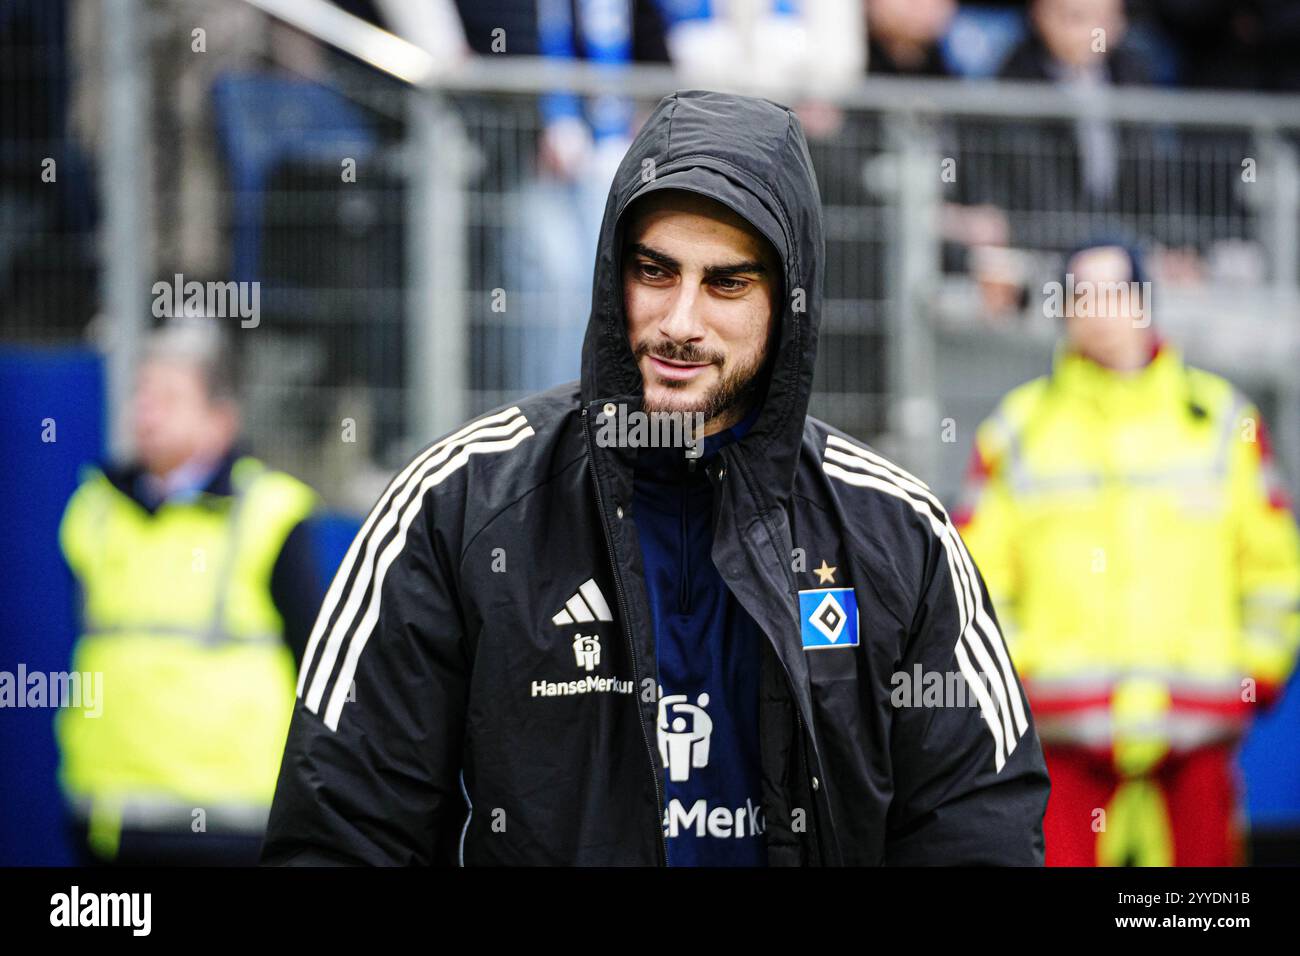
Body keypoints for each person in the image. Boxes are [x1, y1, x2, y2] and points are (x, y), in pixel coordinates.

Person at [264, 90, 1048, 866]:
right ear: (614, 274)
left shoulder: (896, 534)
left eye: (727, 283)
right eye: (655, 271)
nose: (680, 321)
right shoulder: (459, 503)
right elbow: (342, 831)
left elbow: (979, 828)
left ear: (789, 302)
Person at [956, 241, 1300, 866]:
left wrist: (1250, 679)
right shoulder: (1018, 430)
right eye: (1082, 295)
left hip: (1195, 745)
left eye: (1115, 292)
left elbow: (1275, 571)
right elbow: (976, 586)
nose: (1099, 310)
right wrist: (1025, 683)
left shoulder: (1222, 422)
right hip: (1059, 747)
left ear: (1146, 303)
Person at [57, 319, 322, 865]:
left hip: (234, 828)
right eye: (142, 394)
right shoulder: (93, 511)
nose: (146, 413)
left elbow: (317, 673)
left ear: (221, 419)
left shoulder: (271, 515)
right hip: (110, 822)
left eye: (169, 397)